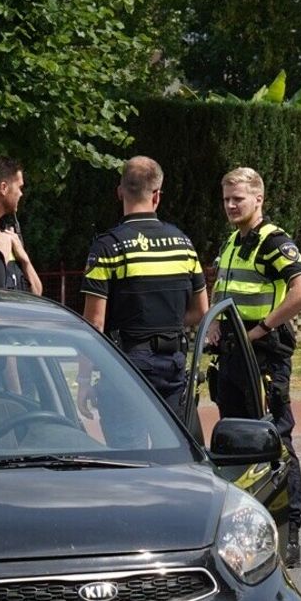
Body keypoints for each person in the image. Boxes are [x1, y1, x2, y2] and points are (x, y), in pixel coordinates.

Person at [211, 166, 301, 568]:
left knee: (275, 445)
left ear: (259, 199)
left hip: (264, 358)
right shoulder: (235, 241)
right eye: (226, 199)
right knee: (237, 445)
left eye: (238, 199)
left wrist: (260, 329)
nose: (231, 206)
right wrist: (218, 329)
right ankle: (247, 535)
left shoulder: (273, 241)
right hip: (234, 357)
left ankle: (288, 537)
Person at [78, 156, 208, 419]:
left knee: (129, 451)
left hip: (126, 364)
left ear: (120, 191)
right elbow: (201, 310)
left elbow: (94, 322)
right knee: (174, 449)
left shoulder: (107, 247)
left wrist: (83, 381)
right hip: (173, 362)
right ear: (157, 196)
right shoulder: (183, 244)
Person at [0, 154, 43, 295]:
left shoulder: (9, 234)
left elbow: (37, 293)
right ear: (4, 187)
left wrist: (24, 259)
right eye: (19, 187)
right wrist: (0, 256)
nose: (21, 194)